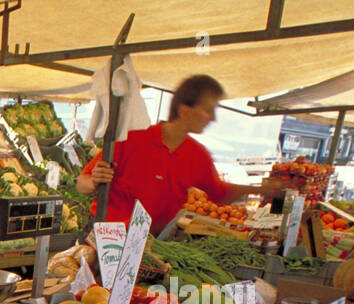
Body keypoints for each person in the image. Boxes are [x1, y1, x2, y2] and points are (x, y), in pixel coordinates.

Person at [77, 75, 261, 234]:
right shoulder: (131, 139)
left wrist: (263, 191)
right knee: (92, 276)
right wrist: (94, 181)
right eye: (208, 110)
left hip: (152, 242)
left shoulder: (197, 155)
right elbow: (81, 184)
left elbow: (220, 193)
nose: (213, 118)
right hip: (107, 236)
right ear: (184, 111)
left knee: (173, 277)